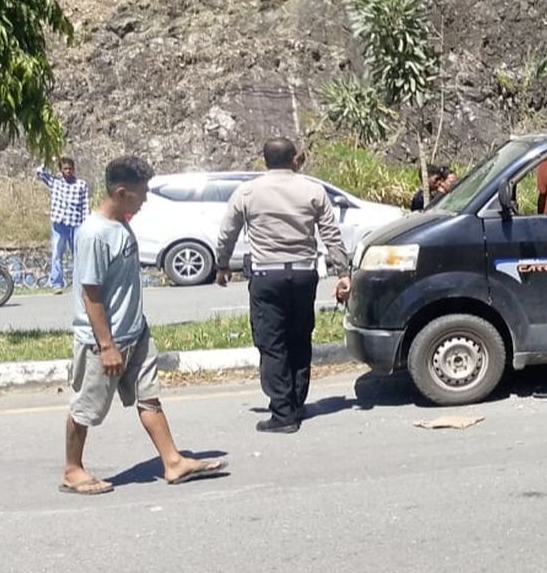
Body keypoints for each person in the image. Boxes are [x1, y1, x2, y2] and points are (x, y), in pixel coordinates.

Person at [61, 156, 226, 495]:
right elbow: (90, 294)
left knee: (149, 398)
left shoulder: (121, 221)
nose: (146, 198)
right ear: (121, 192)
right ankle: (72, 469)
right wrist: (106, 346)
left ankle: (173, 462)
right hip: (104, 341)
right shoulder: (94, 234)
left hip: (135, 332)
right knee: (86, 408)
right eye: (141, 193)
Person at [215, 138, 352, 433]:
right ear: (294, 160)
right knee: (300, 338)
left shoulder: (248, 192)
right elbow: (331, 233)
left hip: (267, 277)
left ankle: (283, 414)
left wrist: (222, 264)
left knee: (272, 343)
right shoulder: (313, 190)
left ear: (265, 161)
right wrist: (343, 272)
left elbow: (228, 231)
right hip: (304, 275)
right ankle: (296, 401)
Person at [36, 157, 90, 294]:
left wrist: (85, 224)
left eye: (70, 169)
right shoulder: (55, 182)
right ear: (60, 170)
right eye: (65, 169)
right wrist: (49, 158)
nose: (68, 171)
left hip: (76, 224)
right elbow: (39, 172)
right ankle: (56, 284)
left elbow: (85, 206)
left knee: (78, 255)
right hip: (59, 223)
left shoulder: (81, 185)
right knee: (56, 254)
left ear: (74, 169)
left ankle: (80, 283)